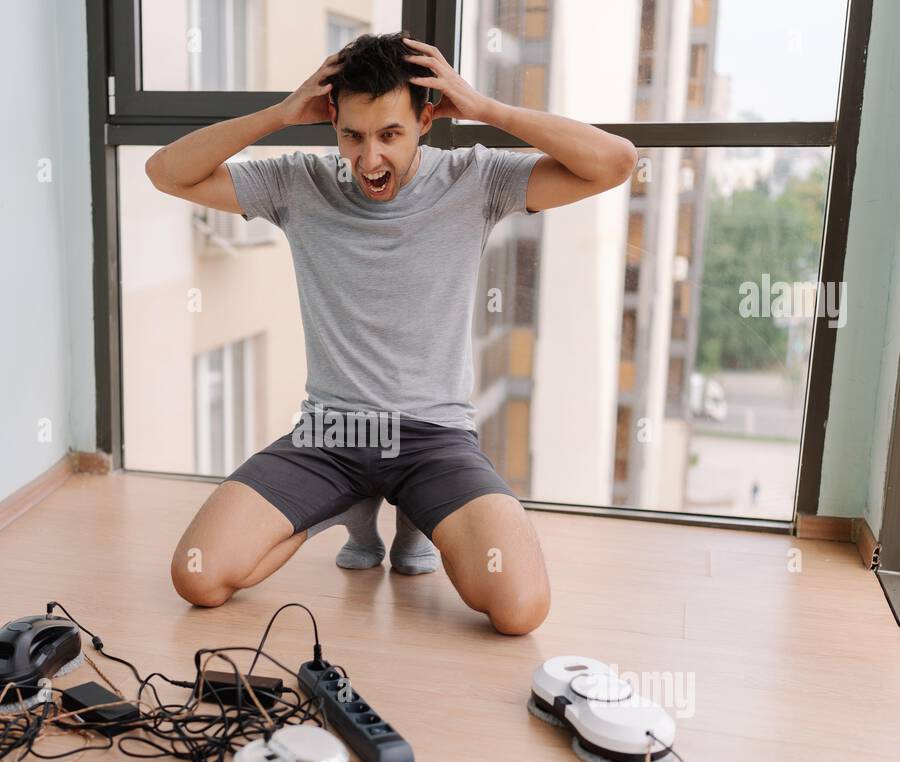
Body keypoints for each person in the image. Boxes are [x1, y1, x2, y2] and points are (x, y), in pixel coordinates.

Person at [147, 32, 636, 634]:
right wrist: (279, 115)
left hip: (435, 440)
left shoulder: (475, 180)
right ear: (331, 122)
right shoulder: (298, 183)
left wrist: (489, 109)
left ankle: (413, 512)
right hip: (329, 435)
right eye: (352, 135)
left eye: (389, 135)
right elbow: (165, 172)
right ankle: (336, 507)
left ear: (427, 119)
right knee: (198, 576)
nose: (369, 158)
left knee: (518, 609)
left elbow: (615, 162)